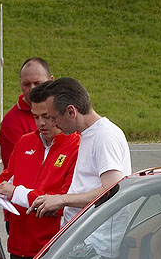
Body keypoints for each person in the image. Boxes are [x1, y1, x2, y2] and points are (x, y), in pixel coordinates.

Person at [29, 78, 131, 243]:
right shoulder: (90, 134)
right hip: (85, 237)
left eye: (53, 117)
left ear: (71, 112)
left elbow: (112, 190)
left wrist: (61, 200)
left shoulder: (104, 136)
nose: (53, 123)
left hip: (95, 242)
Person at [0, 93, 79, 259]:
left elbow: (65, 200)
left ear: (59, 113)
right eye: (35, 117)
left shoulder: (77, 146)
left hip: (53, 249)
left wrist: (17, 193)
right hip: (17, 247)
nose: (41, 123)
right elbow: (7, 178)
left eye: (46, 116)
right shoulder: (25, 141)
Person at [0, 57, 53, 161]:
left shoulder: (64, 112)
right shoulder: (11, 122)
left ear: (51, 81)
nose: (32, 89)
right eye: (26, 84)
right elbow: (16, 165)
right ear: (20, 84)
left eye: (37, 83)